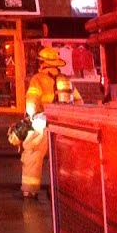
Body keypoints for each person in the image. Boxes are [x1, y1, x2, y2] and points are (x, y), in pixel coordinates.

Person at [13, 46, 82, 199]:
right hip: (63, 124)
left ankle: (30, 191)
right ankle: (61, 192)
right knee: (61, 159)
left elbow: (31, 102)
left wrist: (29, 120)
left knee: (32, 155)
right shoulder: (66, 80)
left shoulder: (37, 79)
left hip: (42, 123)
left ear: (43, 63)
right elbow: (79, 102)